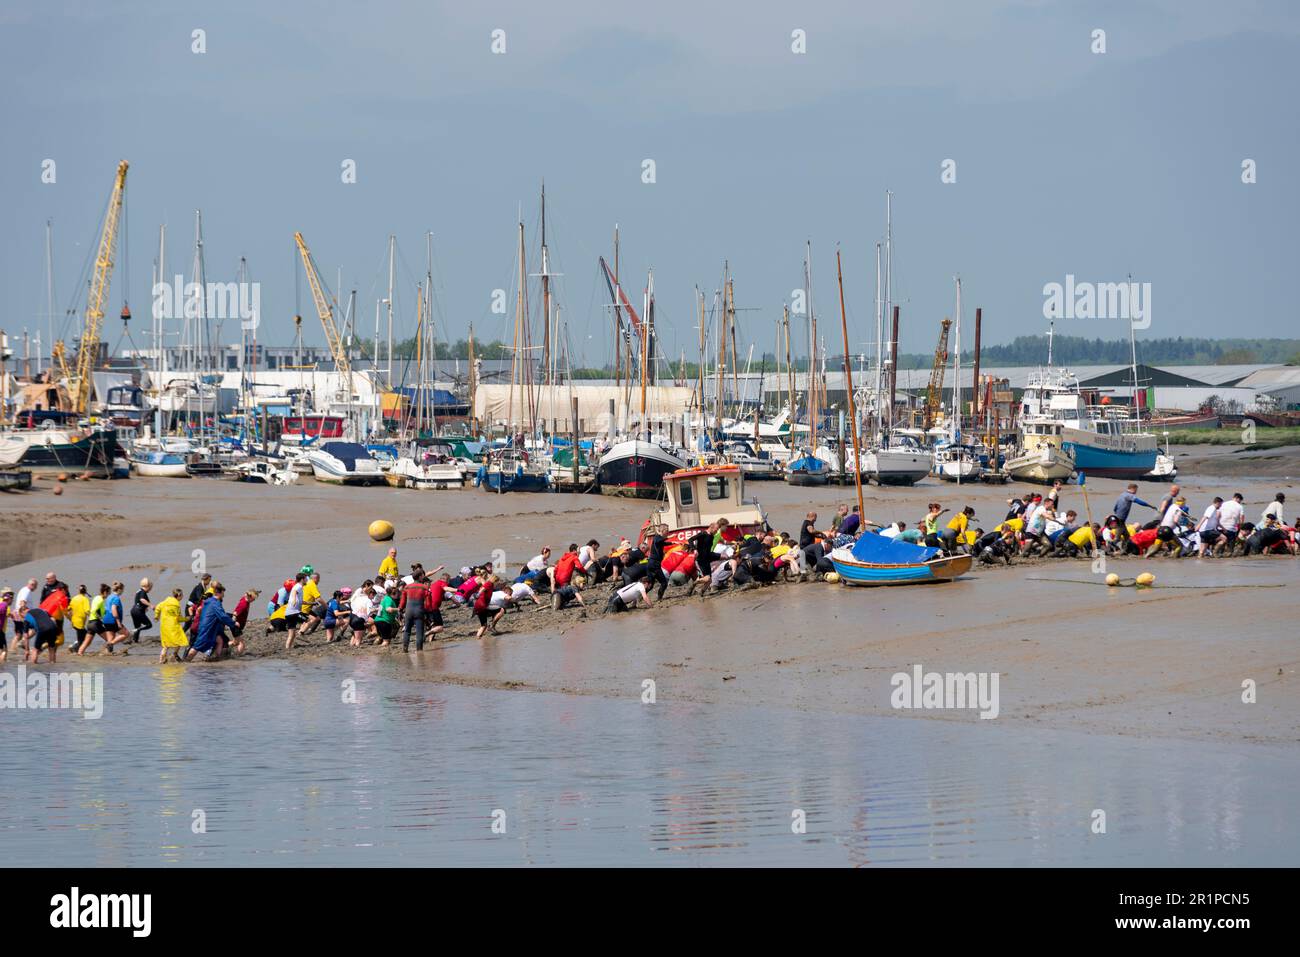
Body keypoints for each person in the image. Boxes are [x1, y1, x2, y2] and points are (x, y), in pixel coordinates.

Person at [186, 582, 237, 661]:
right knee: (197, 647)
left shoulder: (209, 601)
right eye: (223, 593)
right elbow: (222, 616)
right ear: (219, 593)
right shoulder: (215, 604)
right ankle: (186, 661)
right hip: (207, 628)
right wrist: (233, 623)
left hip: (207, 627)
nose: (224, 595)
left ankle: (216, 658)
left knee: (219, 640)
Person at [399, 572, 431, 652]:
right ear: (420, 577)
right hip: (419, 611)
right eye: (422, 576)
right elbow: (428, 603)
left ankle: (405, 649)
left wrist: (400, 609)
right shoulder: (425, 587)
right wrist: (428, 612)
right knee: (419, 631)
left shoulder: (407, 587)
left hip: (409, 611)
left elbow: (402, 602)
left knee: (407, 631)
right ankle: (419, 651)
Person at [156, 588, 188, 663]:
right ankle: (174, 654)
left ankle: (161, 660)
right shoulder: (176, 605)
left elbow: (158, 607)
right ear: (179, 595)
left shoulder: (165, 602)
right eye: (182, 595)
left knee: (166, 645)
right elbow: (179, 618)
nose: (182, 596)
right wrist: (187, 619)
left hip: (164, 626)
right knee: (180, 640)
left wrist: (156, 617)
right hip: (173, 626)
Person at [283, 572, 307, 649]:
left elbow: (300, 600)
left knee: (292, 633)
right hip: (294, 612)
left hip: (288, 613)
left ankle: (288, 648)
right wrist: (293, 600)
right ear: (302, 579)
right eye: (306, 578)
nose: (307, 580)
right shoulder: (298, 586)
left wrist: (311, 603)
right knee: (309, 619)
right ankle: (301, 633)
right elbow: (294, 592)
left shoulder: (298, 586)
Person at [68, 584, 91, 653]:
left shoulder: (74, 598)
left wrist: (71, 619)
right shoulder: (85, 599)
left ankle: (74, 648)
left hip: (74, 622)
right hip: (80, 623)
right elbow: (87, 611)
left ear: (79, 591)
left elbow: (69, 610)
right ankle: (74, 648)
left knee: (81, 637)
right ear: (85, 591)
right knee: (85, 638)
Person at [129, 578, 153, 643]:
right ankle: (136, 630)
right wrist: (150, 605)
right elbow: (142, 600)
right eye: (151, 587)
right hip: (138, 611)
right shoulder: (143, 592)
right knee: (149, 625)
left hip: (133, 610)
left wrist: (145, 608)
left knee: (137, 626)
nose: (151, 589)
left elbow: (138, 600)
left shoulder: (138, 591)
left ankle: (135, 640)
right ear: (148, 586)